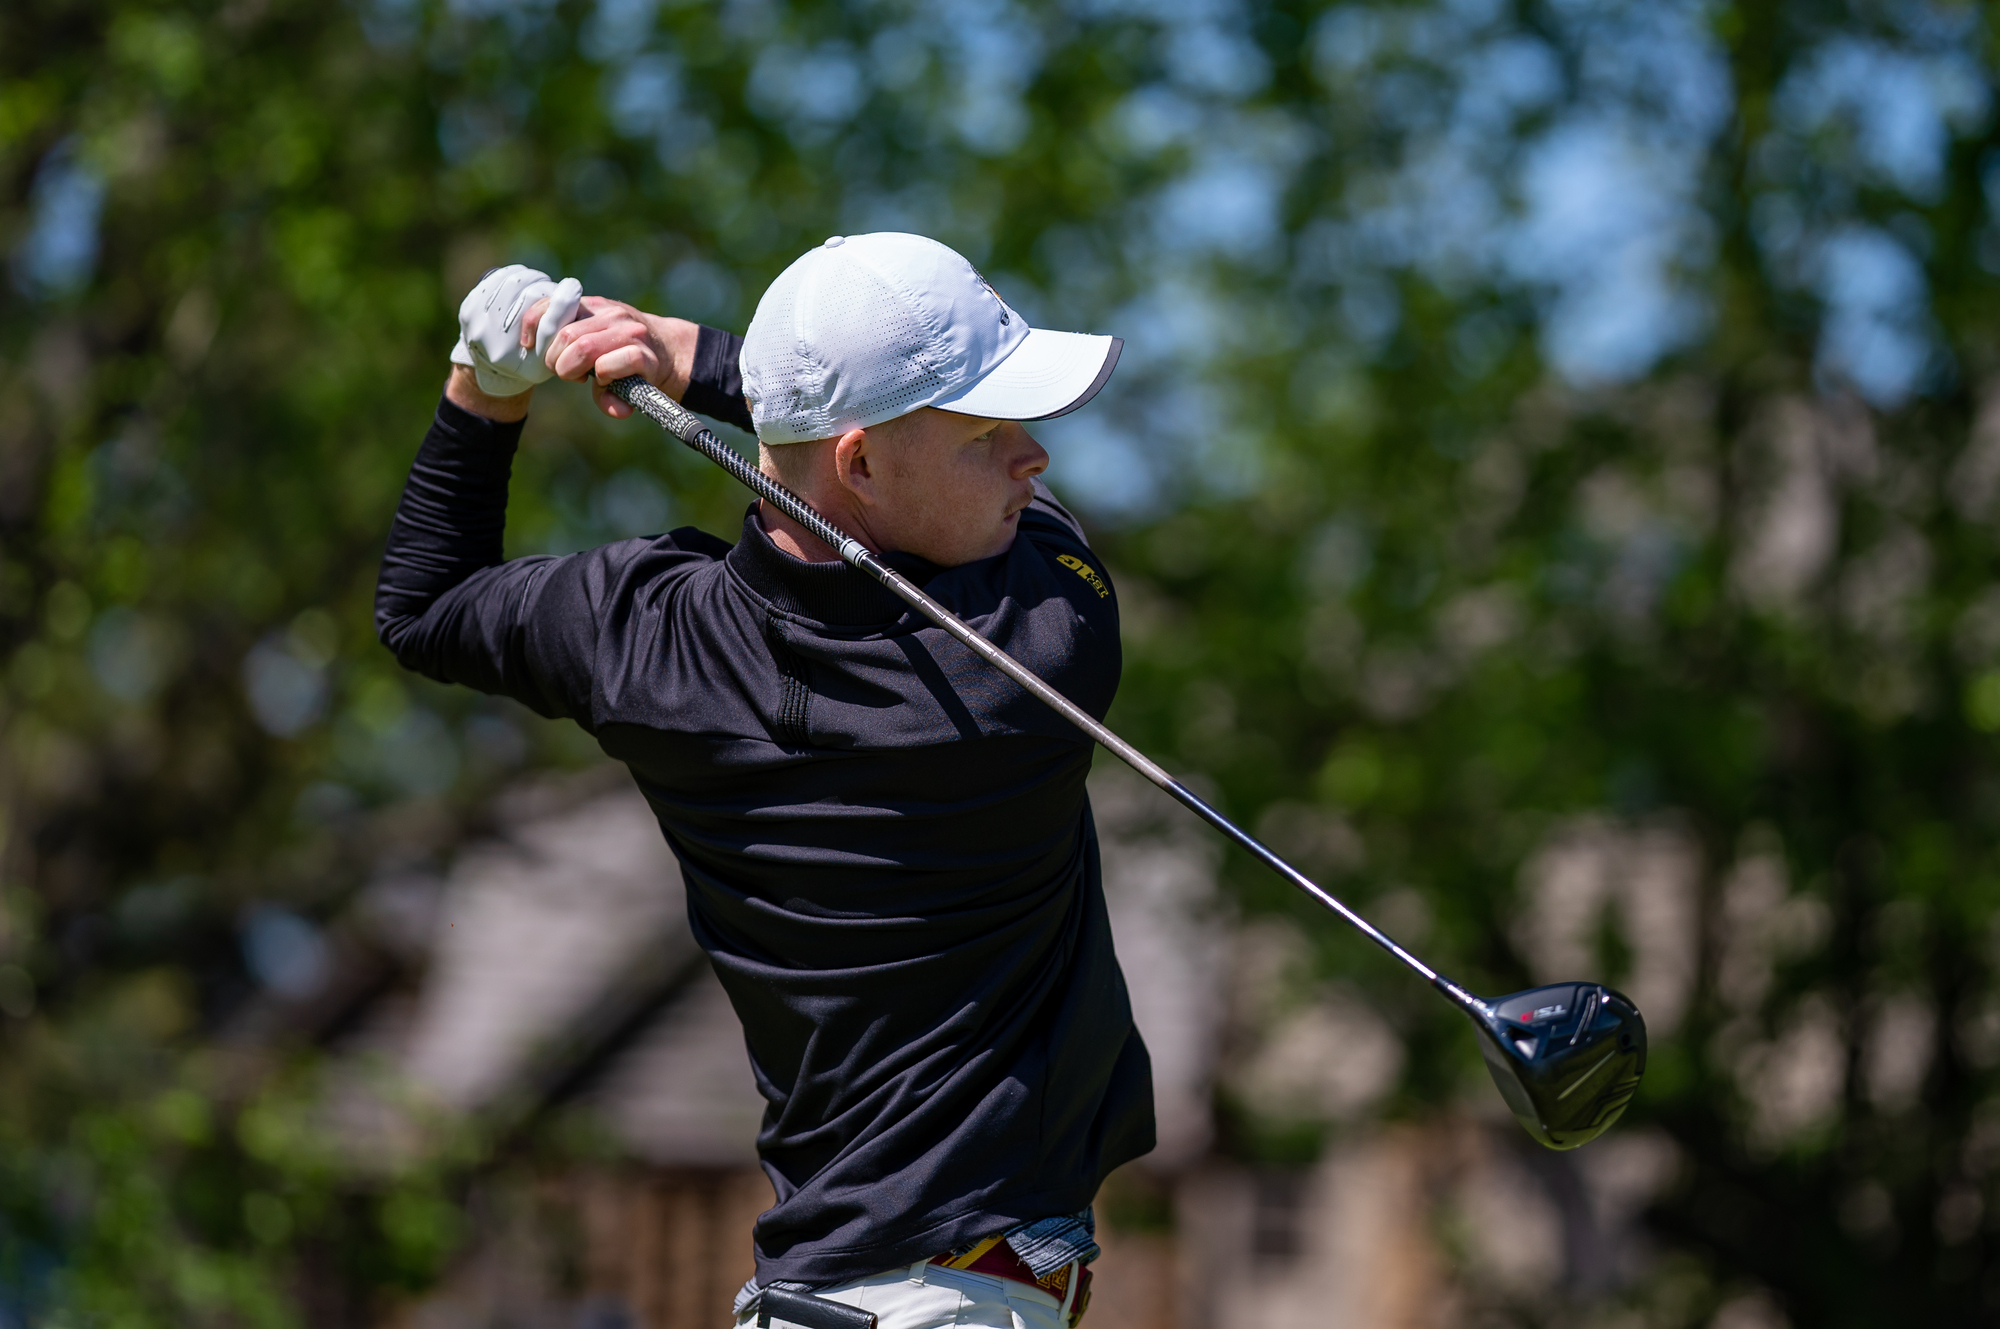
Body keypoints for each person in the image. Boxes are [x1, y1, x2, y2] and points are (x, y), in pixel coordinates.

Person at [376, 233, 1153, 1329]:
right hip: (956, 1300)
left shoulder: (646, 641)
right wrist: (686, 354)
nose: (1031, 458)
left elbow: (423, 604)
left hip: (830, 1294)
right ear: (863, 466)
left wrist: (482, 383)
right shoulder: (1033, 657)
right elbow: (1011, 523)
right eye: (985, 433)